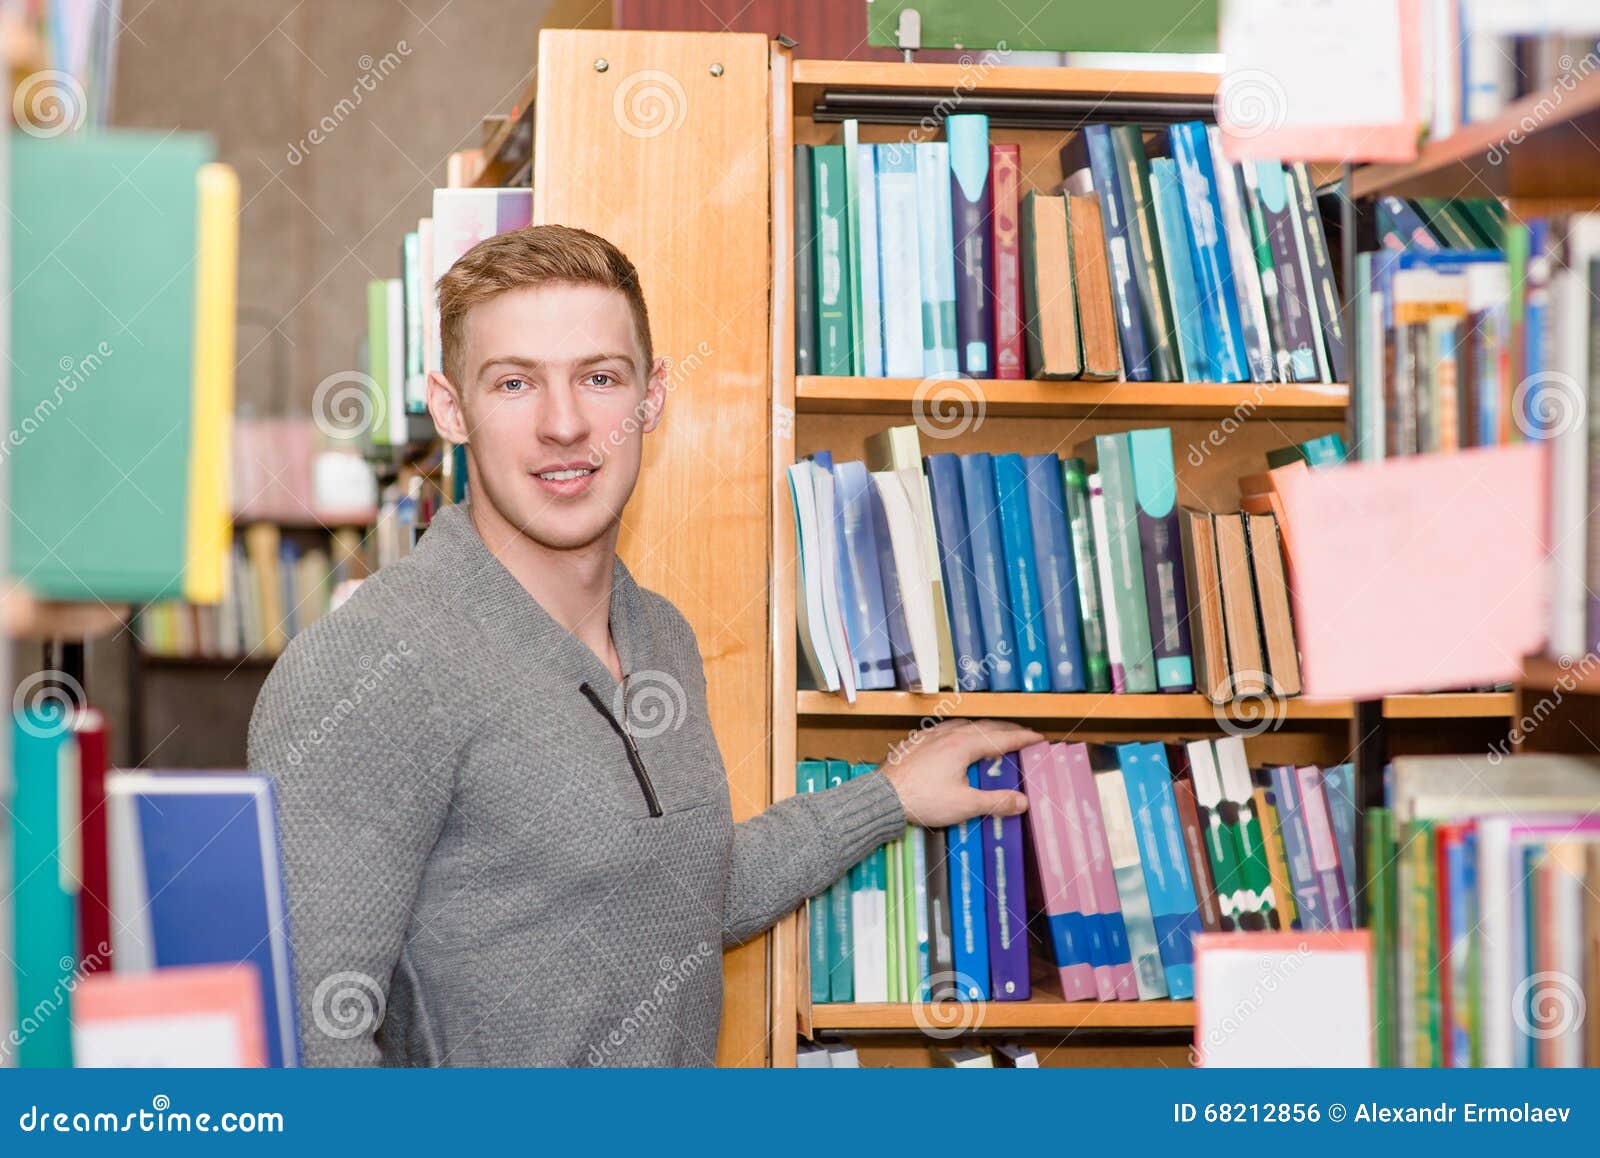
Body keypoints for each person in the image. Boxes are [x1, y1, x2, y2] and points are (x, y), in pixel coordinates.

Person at [247, 224, 1037, 1066]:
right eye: (514, 382)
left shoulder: (660, 633)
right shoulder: (370, 666)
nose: (564, 424)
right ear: (451, 407)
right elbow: (308, 1038)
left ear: (652, 396)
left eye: (599, 377)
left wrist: (886, 797)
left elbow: (670, 895)